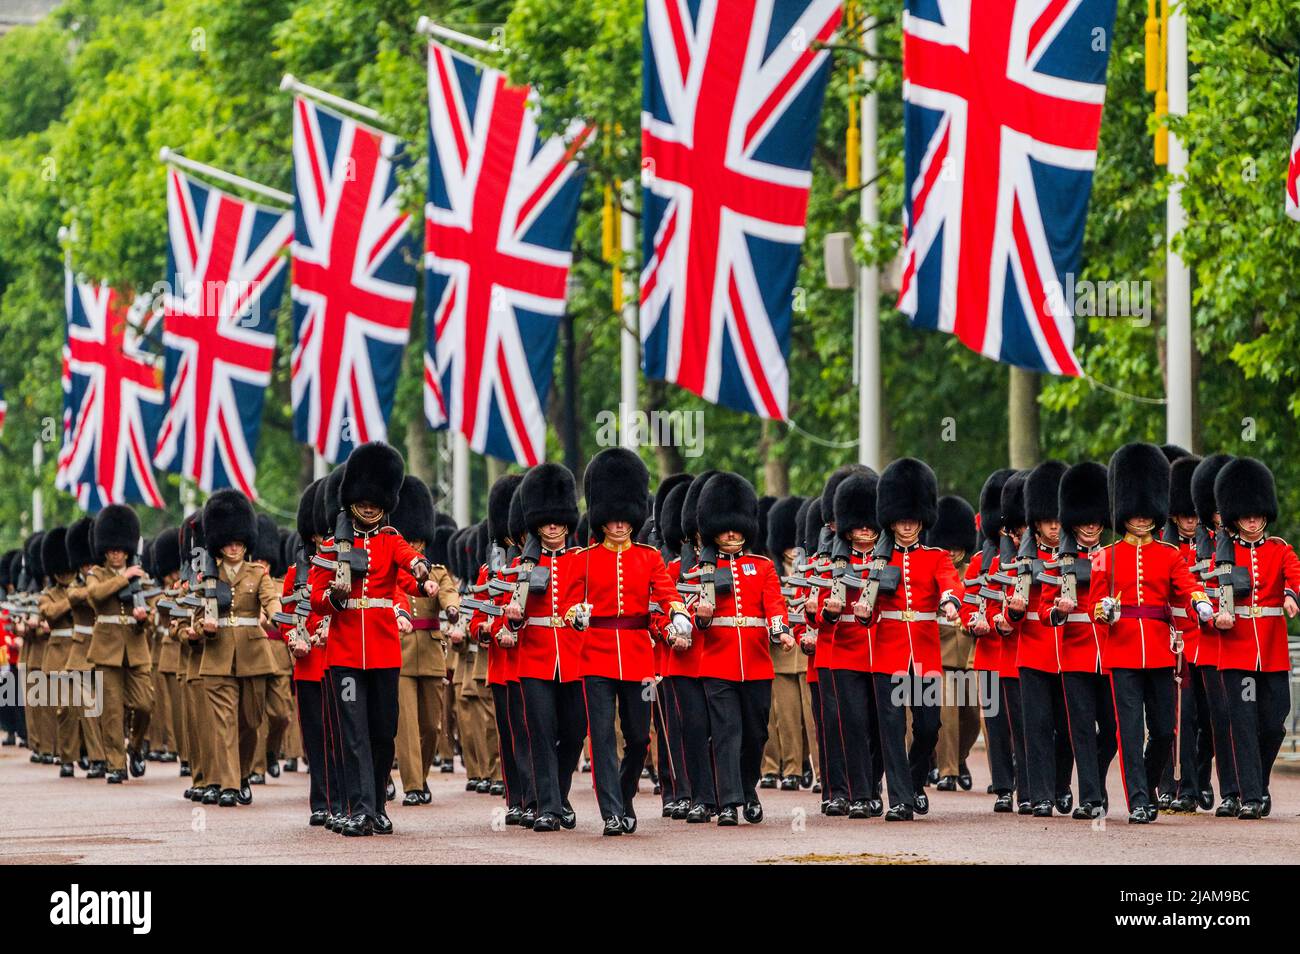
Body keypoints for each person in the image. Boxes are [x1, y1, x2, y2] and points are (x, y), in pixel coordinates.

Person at [308, 442, 434, 836]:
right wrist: (333, 598)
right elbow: (315, 595)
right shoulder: (331, 548)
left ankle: (377, 804)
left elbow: (410, 563)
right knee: (353, 732)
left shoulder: (390, 539)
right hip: (344, 653)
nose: (367, 506)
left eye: (374, 500)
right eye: (361, 499)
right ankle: (356, 808)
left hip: (383, 650)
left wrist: (423, 573)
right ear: (351, 500)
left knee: (383, 730)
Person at [564, 448, 692, 836]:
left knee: (638, 737)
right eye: (613, 519)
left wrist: (679, 613)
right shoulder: (582, 559)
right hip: (596, 656)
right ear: (602, 519)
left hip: (638, 655)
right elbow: (568, 605)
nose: (619, 525)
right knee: (602, 737)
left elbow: (666, 592)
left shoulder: (649, 557)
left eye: (625, 519)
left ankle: (623, 792)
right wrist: (577, 615)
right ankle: (611, 812)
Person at [1088, 443, 1212, 824]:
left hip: (1158, 649)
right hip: (1122, 650)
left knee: (1162, 730)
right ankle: (1139, 799)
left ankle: (1148, 776)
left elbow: (1187, 585)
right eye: (1134, 514)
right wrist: (1104, 612)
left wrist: (1200, 602)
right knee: (1129, 730)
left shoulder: (1169, 554)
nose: (1141, 520)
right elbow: (1095, 606)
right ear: (1123, 512)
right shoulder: (1106, 556)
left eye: (1146, 514)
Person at [858, 458, 962, 821]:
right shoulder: (875, 561)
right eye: (901, 519)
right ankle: (900, 799)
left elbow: (950, 583)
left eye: (912, 519)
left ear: (921, 519)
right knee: (890, 729)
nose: (906, 525)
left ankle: (915, 782)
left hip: (924, 657)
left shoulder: (936, 557)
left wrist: (950, 601)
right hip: (887, 655)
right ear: (891, 518)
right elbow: (866, 609)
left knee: (929, 728)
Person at [691, 472, 792, 825]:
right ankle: (729, 803)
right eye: (725, 528)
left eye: (736, 528)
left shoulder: (762, 567)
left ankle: (747, 790)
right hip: (717, 664)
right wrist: (701, 617)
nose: (732, 534)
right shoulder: (702, 568)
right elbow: (691, 612)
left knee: (755, 733)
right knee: (726, 732)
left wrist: (781, 633)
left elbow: (775, 606)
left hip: (756, 664)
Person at [1209, 457, 1300, 820]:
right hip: (1237, 652)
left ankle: (1256, 785)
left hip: (1273, 651)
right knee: (1243, 725)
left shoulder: (1280, 549)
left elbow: (1294, 575)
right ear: (1235, 516)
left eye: (1257, 514)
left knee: (1274, 719)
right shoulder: (1221, 554)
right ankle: (1250, 796)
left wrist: (1292, 596)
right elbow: (1208, 593)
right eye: (1245, 515)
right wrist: (1217, 614)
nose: (1251, 520)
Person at [500, 463, 586, 832]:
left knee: (573, 732)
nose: (552, 526)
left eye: (558, 521)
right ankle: (548, 805)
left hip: (575, 657)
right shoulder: (518, 567)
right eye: (546, 521)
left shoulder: (584, 560)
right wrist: (513, 617)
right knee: (540, 732)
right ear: (536, 523)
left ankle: (559, 794)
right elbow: (507, 617)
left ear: (567, 521)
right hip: (534, 658)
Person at [1042, 461, 1115, 819]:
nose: (1090, 526)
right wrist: (1059, 610)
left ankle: (1094, 781)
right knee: (1081, 729)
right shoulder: (1058, 562)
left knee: (1114, 729)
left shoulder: (1115, 558)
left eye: (1096, 520)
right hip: (1074, 654)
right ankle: (1090, 798)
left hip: (1111, 654)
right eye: (1084, 521)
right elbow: (1044, 610)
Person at [199, 490, 282, 807]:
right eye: (228, 541)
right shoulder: (208, 577)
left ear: (246, 541)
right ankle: (230, 785)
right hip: (218, 656)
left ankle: (243, 773)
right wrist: (200, 627)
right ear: (219, 542)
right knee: (225, 722)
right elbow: (196, 617)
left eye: (238, 541)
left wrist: (276, 616)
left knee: (251, 720)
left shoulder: (257, 574)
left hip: (253, 655)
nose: (234, 547)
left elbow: (271, 600)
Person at [810, 467, 881, 819]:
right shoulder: (824, 562)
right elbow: (811, 614)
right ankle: (845, 791)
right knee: (842, 725)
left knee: (878, 725)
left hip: (879, 649)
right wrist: (824, 612)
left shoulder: (887, 558)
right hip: (838, 651)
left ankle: (872, 786)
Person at [1007, 460, 1075, 817]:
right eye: (1048, 520)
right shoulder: (1024, 558)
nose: (1054, 526)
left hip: (1069, 651)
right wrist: (1014, 610)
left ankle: (1061, 785)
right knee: (1035, 727)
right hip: (1033, 649)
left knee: (1066, 729)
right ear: (1036, 522)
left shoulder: (1077, 554)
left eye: (1058, 519)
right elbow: (1010, 610)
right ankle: (1039, 794)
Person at [390, 475, 460, 807]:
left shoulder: (437, 571)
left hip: (432, 651)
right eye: (410, 541)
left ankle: (422, 774)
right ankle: (413, 785)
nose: (415, 547)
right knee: (405, 724)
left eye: (420, 541)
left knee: (431, 725)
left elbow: (448, 593)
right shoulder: (392, 570)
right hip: (400, 651)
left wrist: (452, 608)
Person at [84, 505, 154, 784]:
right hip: (106, 648)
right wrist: (123, 578)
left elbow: (150, 608)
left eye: (120, 549)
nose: (116, 553)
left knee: (145, 704)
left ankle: (134, 747)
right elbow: (95, 596)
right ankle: (115, 764)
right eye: (111, 549)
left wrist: (143, 617)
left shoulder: (141, 576)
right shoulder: (97, 574)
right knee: (111, 710)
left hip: (136, 647)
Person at [1190, 454, 1243, 816]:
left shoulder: (1245, 547)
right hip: (1203, 643)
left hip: (1233, 646)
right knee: (1204, 720)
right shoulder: (1202, 548)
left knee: (1228, 719)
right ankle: (1204, 784)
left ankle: (1241, 789)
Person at [963, 469, 1016, 812]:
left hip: (1021, 654)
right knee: (996, 725)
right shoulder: (979, 564)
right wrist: (974, 623)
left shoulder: (1028, 560)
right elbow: (967, 608)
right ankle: (1004, 785)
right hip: (990, 656)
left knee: (1026, 723)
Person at [926, 496, 980, 794]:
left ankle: (957, 760)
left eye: (958, 547)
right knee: (946, 712)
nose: (953, 552)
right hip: (940, 653)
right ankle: (946, 771)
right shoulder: (934, 571)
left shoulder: (972, 572)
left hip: (969, 654)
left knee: (971, 717)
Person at [761, 495, 813, 793]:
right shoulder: (771, 572)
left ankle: (806, 765)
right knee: (781, 716)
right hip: (779, 652)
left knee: (810, 717)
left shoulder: (811, 574)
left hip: (805, 650)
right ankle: (783, 768)